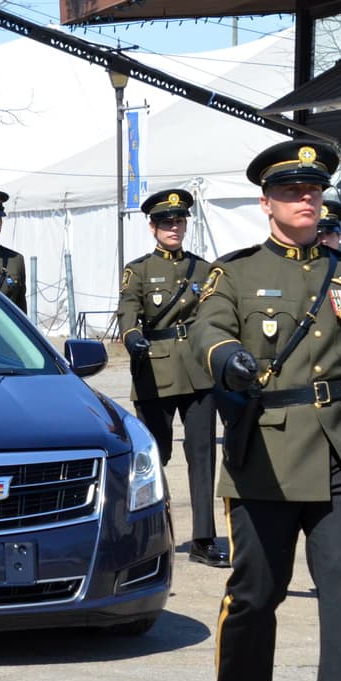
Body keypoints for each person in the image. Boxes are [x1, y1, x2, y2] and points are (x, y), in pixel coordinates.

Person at [192, 140, 341, 681]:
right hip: (266, 456)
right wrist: (229, 359)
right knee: (255, 595)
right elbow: (207, 330)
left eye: (313, 190)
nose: (306, 199)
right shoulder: (236, 272)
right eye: (291, 191)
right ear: (266, 203)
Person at [117, 189, 226, 569]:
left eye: (179, 221)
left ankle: (204, 538)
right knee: (153, 456)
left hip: (197, 371)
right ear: (153, 227)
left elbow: (215, 314)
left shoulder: (204, 269)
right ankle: (147, 533)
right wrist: (132, 337)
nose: (174, 228)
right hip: (156, 370)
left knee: (202, 455)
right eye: (166, 223)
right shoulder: (139, 270)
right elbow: (128, 310)